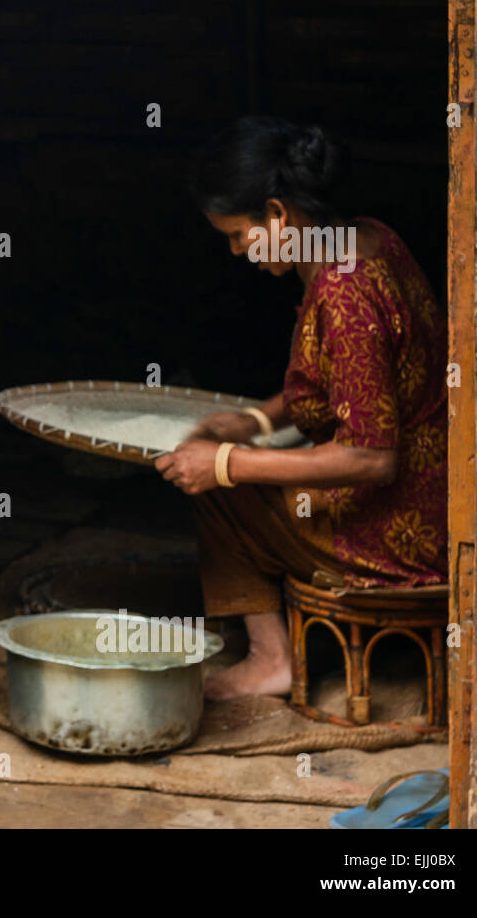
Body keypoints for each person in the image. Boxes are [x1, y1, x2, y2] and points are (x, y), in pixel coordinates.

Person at [155, 116, 447, 701]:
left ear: (278, 215)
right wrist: (258, 421)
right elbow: (352, 381)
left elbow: (371, 458)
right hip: (436, 492)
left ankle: (272, 660)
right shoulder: (366, 237)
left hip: (402, 527)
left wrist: (228, 463)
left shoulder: (345, 292)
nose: (238, 252)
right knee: (231, 466)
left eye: (239, 235)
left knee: (219, 493)